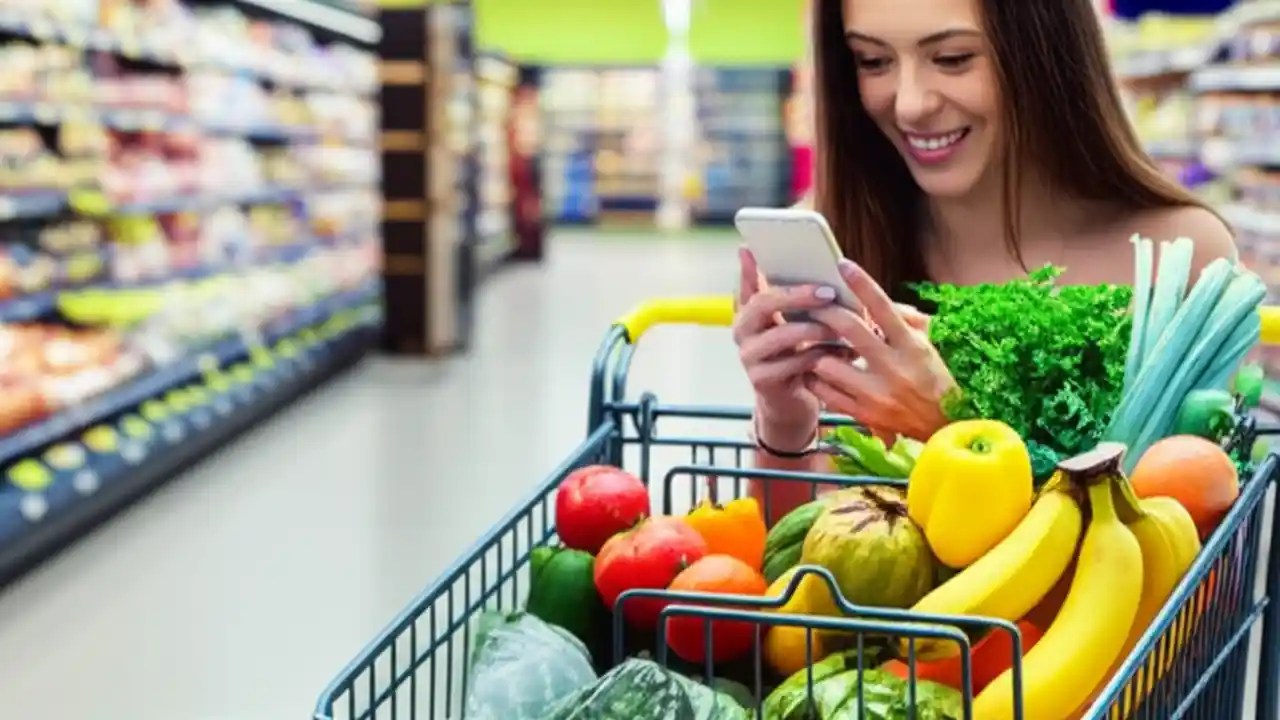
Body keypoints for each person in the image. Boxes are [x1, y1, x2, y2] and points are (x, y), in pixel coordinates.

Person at [734, 0, 1237, 524]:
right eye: (873, 61)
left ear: (1044, 50)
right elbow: (783, 567)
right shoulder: (832, 237)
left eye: (952, 58)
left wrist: (950, 427)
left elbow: (1172, 562)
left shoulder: (1179, 257)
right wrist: (784, 419)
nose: (909, 104)